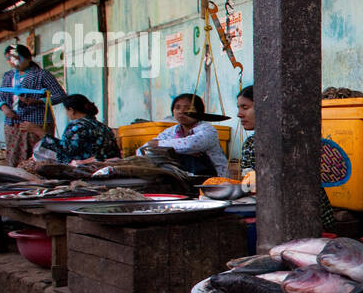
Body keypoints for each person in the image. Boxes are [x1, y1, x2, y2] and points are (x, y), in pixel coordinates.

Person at [237, 85, 341, 231]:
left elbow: (249, 186)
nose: (239, 114)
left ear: (265, 108)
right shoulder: (252, 144)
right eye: (239, 108)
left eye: (245, 107)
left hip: (301, 216)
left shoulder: (288, 139)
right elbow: (249, 183)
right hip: (299, 217)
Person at [0, 43, 66, 167]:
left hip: (36, 123)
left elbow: (60, 95)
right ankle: (17, 181)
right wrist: (5, 109)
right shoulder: (8, 76)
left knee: (39, 157)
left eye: (17, 58)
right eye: (9, 59)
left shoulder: (42, 75)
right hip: (13, 124)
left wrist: (39, 101)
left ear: (28, 58)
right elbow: (2, 96)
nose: (13, 62)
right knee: (14, 157)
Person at [138, 93, 229, 176]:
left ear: (198, 112)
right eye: (177, 107)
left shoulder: (208, 130)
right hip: (185, 177)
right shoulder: (170, 131)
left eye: (188, 108)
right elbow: (144, 149)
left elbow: (190, 144)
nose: (181, 111)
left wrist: (159, 144)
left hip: (214, 178)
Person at [35, 94, 119, 164]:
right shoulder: (103, 127)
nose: (66, 113)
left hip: (88, 167)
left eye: (66, 110)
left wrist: (39, 132)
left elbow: (66, 150)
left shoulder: (77, 126)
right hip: (108, 164)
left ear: (71, 110)